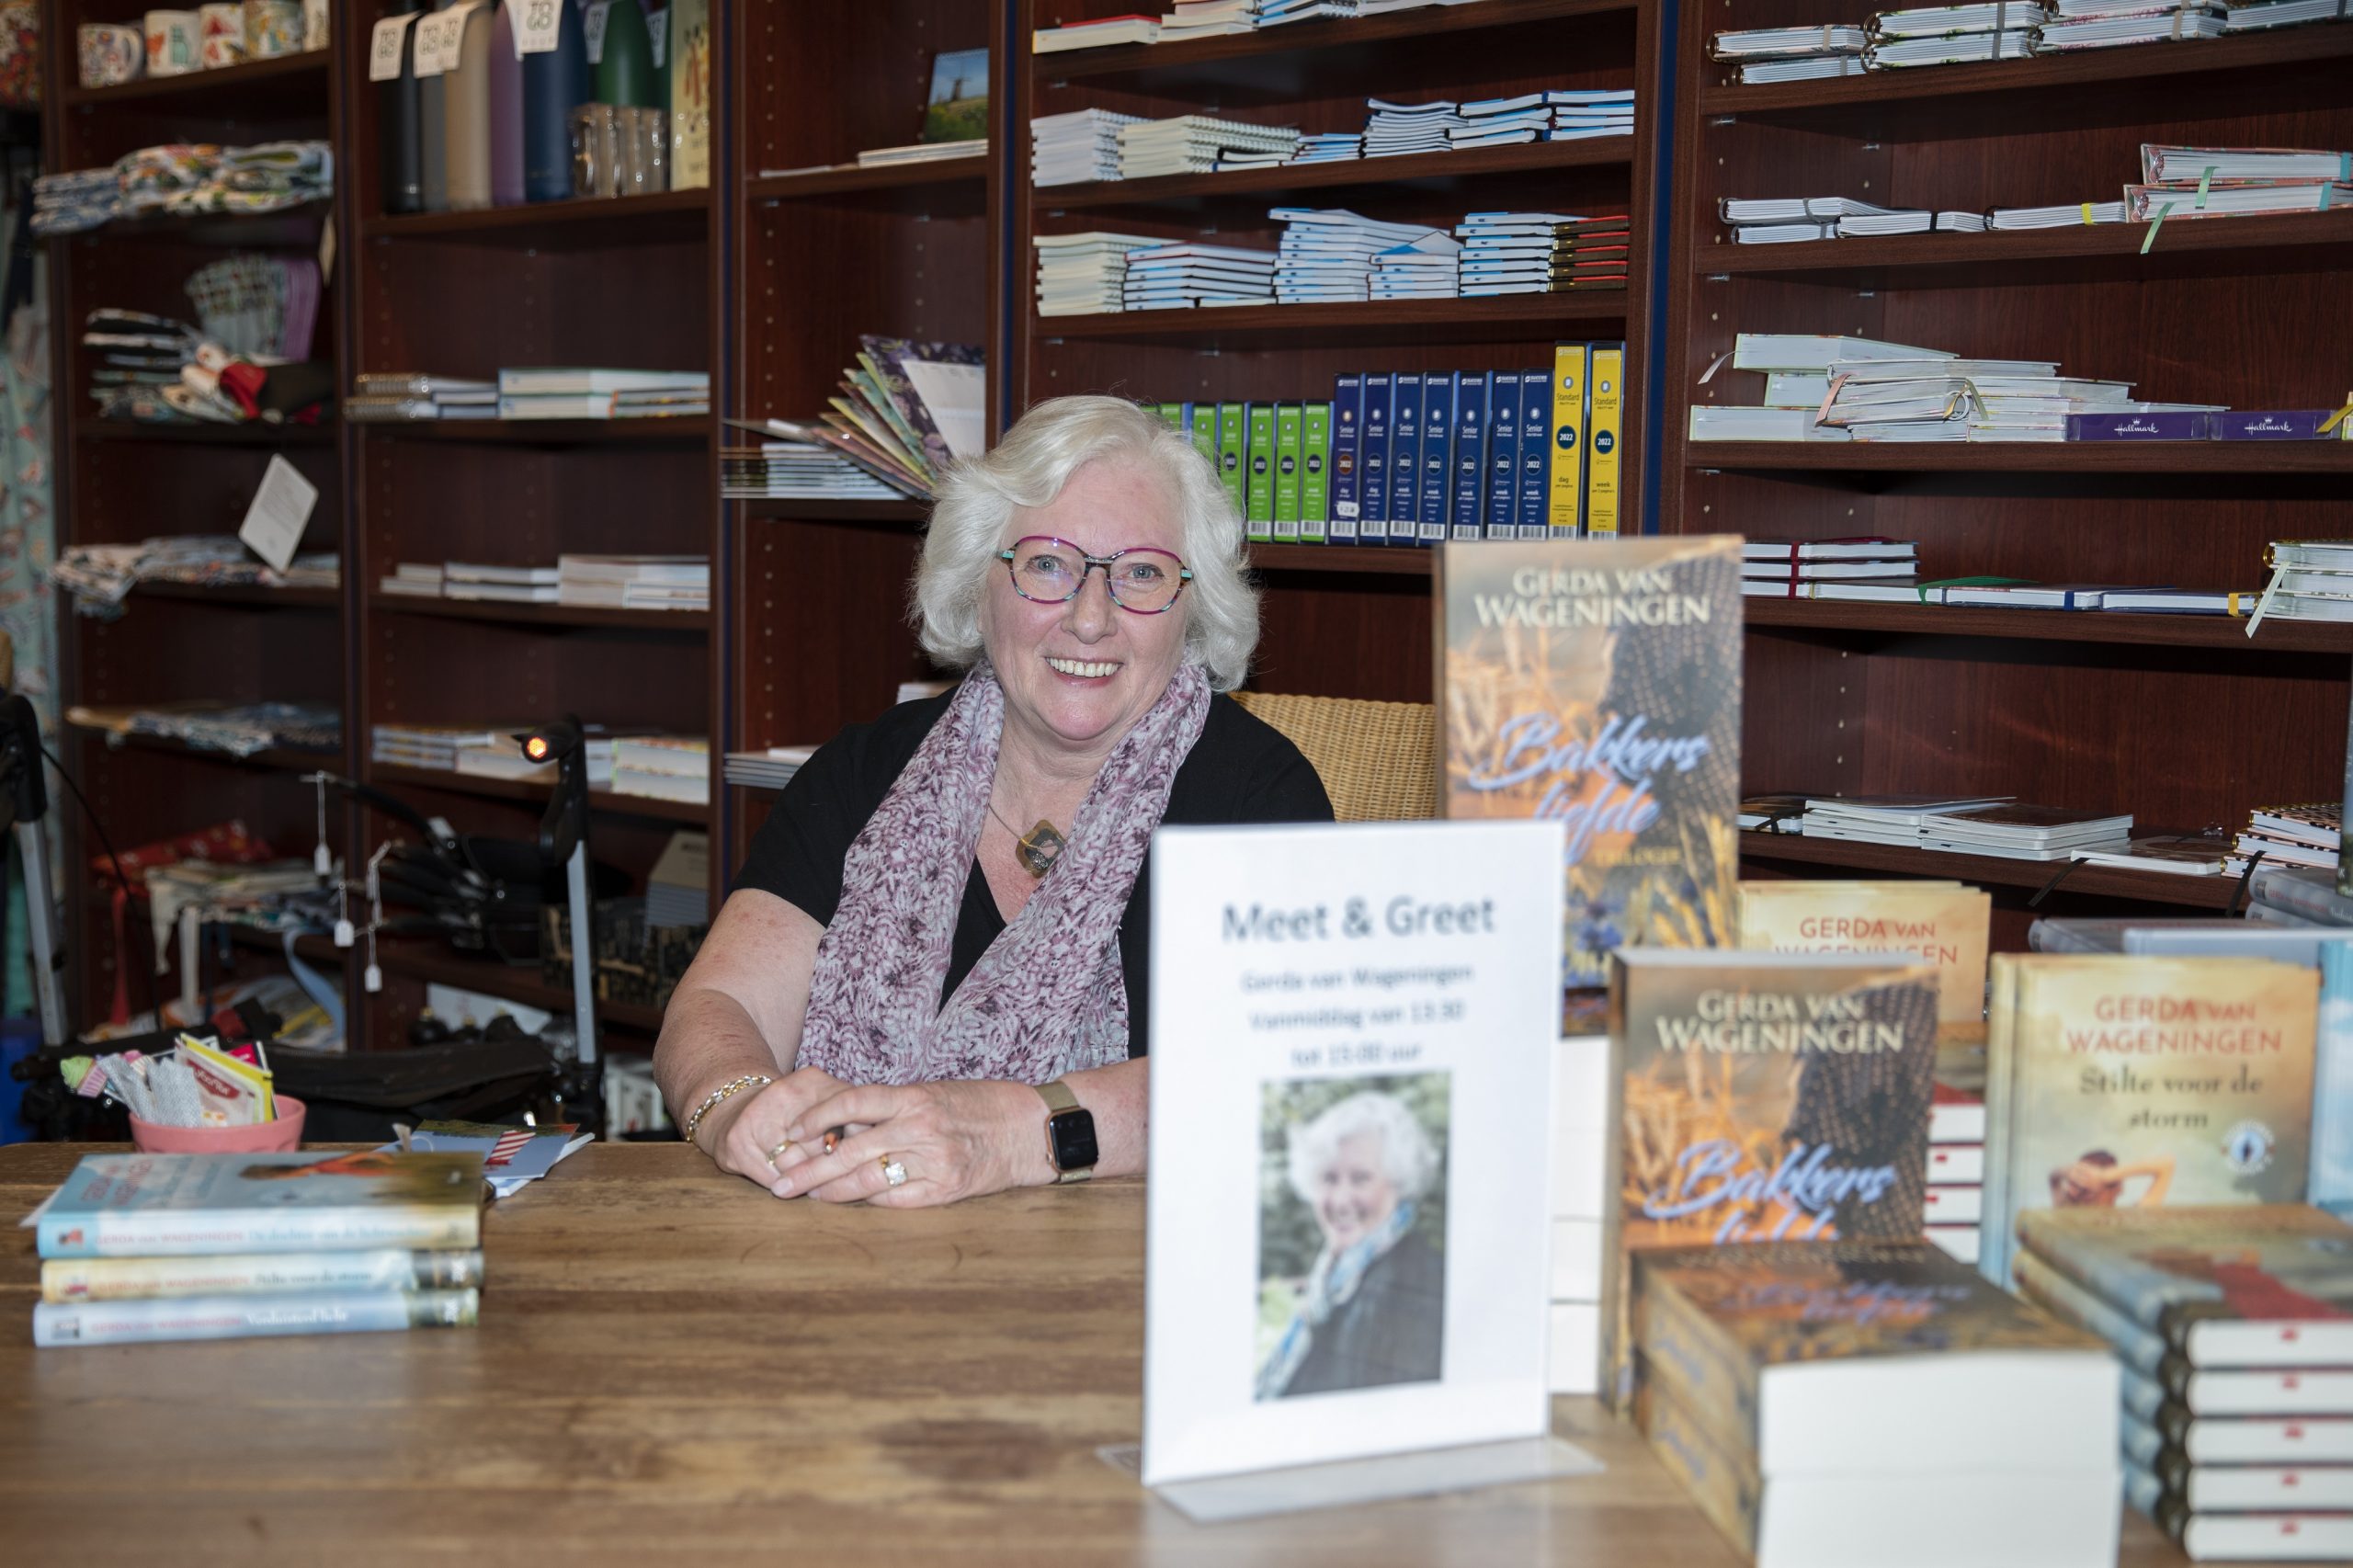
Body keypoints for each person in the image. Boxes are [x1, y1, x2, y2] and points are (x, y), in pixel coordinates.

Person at [654, 395, 1332, 1208]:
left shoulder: (1258, 796)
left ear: (1192, 608)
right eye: (1048, 563)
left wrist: (1015, 1133)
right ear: (981, 585)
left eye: (1141, 573)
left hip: (1127, 1280)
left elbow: (1279, 1075)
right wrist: (735, 1105)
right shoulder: (866, 769)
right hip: (840, 1254)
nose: (1091, 617)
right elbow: (717, 1002)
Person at [1257, 1090, 1446, 1400]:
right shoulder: (1334, 1278)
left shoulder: (1411, 1287)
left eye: (1360, 1179)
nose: (1342, 1200)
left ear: (1398, 1182)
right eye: (1329, 1179)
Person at [2051, 1149, 2174, 1207]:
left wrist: (2103, 1176)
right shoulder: (2067, 1210)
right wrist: (2068, 1172)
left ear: (2118, 1188)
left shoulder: (2132, 1219)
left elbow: (2167, 1164)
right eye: (2080, 1180)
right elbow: (2053, 1177)